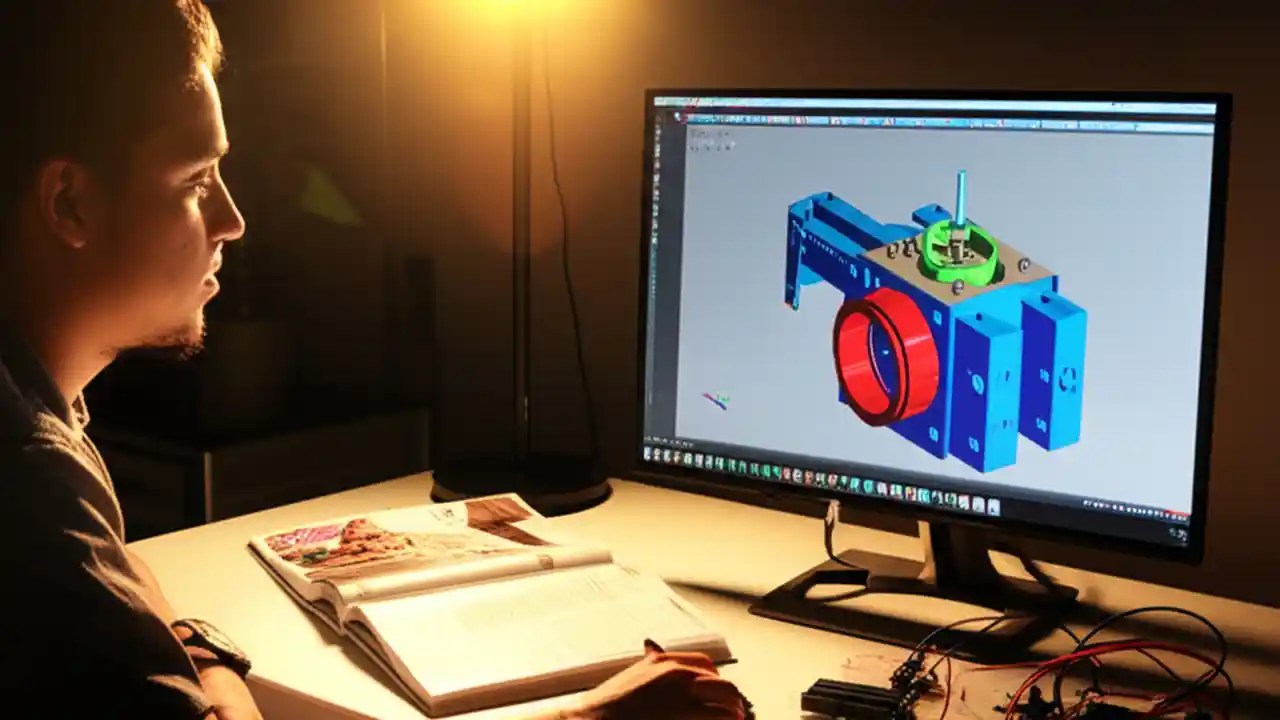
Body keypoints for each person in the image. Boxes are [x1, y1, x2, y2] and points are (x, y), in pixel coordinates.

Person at [0, 2, 746, 718]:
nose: (232, 219)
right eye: (196, 182)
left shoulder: (39, 411)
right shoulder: (31, 476)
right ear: (69, 205)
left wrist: (194, 651)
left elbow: (128, 598)